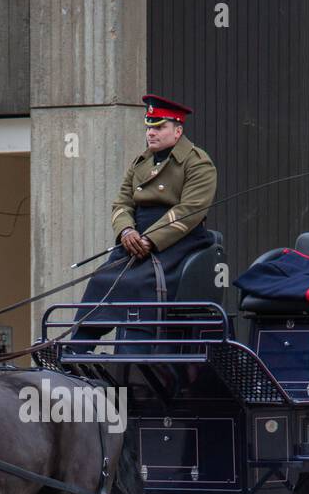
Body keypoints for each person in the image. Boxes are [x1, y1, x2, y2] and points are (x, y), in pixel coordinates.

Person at [74, 94, 218, 347]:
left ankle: (136, 350)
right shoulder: (140, 163)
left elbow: (191, 209)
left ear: (177, 131)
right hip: (134, 238)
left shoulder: (197, 162)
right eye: (149, 127)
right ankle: (75, 348)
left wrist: (151, 238)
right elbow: (122, 204)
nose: (151, 133)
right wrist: (127, 231)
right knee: (101, 278)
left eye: (160, 127)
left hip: (178, 239)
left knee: (140, 282)